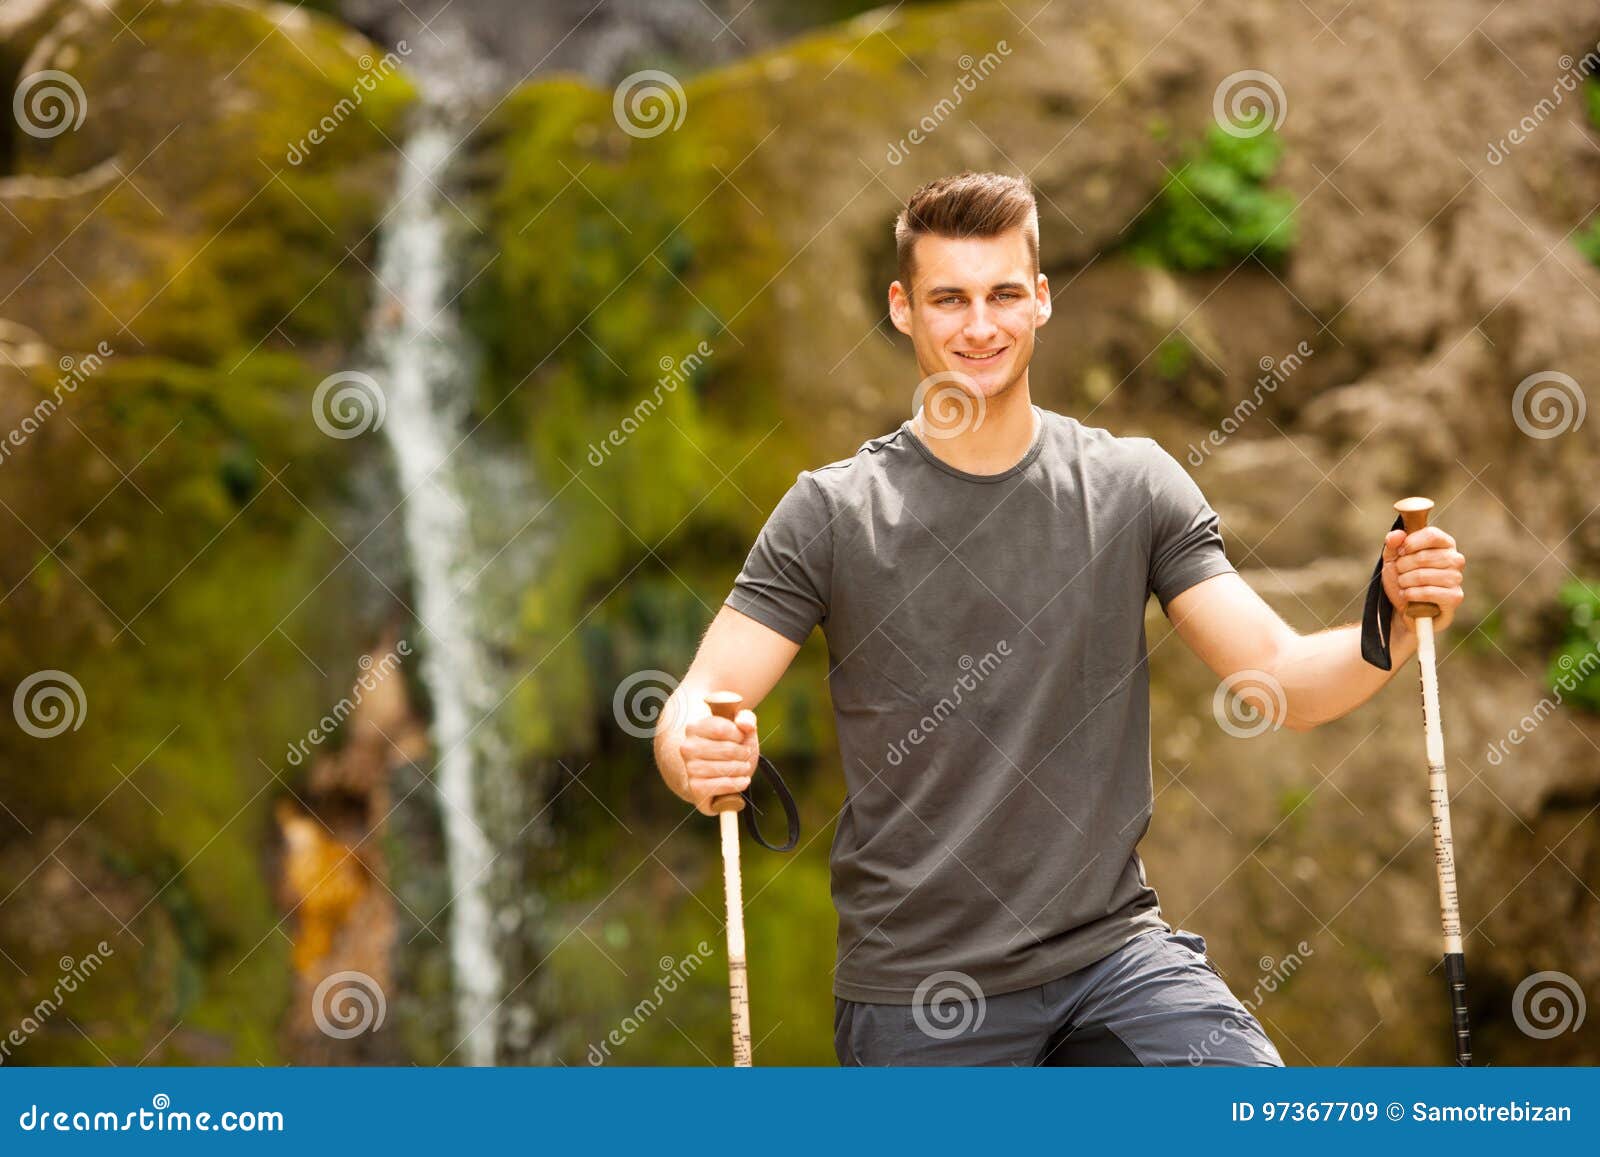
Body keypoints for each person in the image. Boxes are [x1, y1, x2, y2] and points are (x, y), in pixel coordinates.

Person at [651, 171, 1467, 1066]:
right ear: (902, 308)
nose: (980, 325)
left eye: (1004, 293)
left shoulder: (1132, 486)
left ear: (1040, 299)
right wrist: (699, 748)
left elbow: (1280, 680)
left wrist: (1389, 618)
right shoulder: (834, 513)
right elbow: (697, 704)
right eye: (949, 299)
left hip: (1108, 958)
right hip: (919, 989)